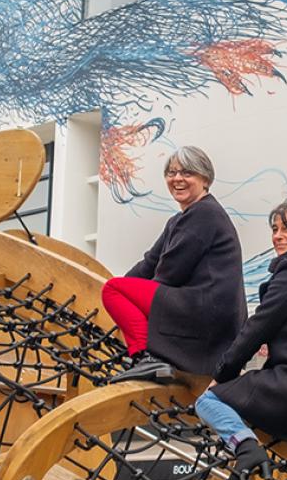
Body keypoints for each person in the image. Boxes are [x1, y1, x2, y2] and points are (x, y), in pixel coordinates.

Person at [194, 190, 287, 480]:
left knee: (208, 401)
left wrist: (222, 374)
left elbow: (257, 327)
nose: (278, 236)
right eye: (275, 229)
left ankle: (247, 448)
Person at [101, 146, 246, 383]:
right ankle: (150, 356)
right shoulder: (181, 219)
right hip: (205, 310)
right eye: (171, 173)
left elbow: (170, 273)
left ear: (205, 178)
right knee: (118, 287)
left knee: (112, 290)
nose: (177, 178)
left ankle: (147, 356)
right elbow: (149, 263)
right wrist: (127, 286)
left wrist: (133, 303)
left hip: (204, 312)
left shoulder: (205, 213)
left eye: (187, 173)